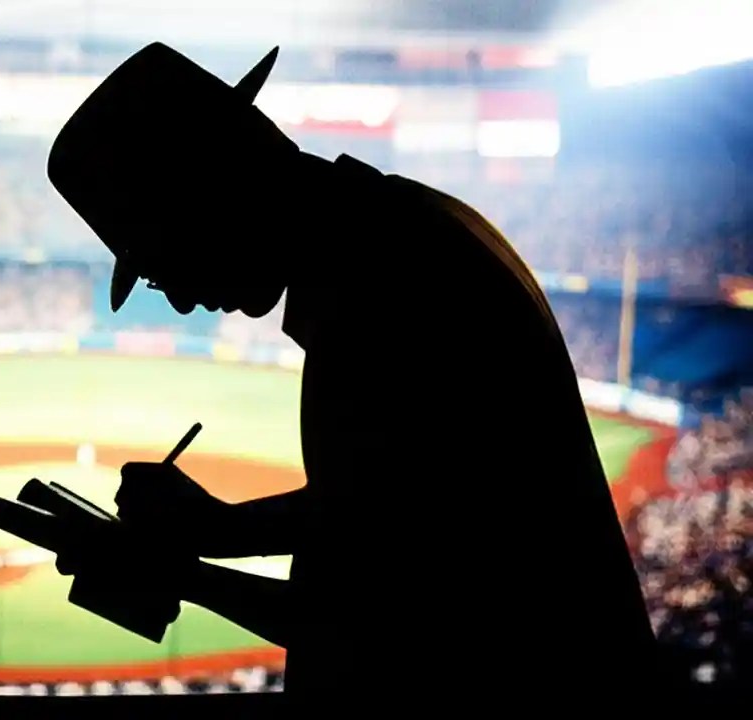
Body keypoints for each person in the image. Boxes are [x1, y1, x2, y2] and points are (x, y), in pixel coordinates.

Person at [46, 42, 661, 704]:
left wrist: (176, 571)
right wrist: (218, 531)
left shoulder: (382, 292)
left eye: (157, 256)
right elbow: (388, 512)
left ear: (208, 195)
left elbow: (385, 622)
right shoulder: (390, 243)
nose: (175, 296)